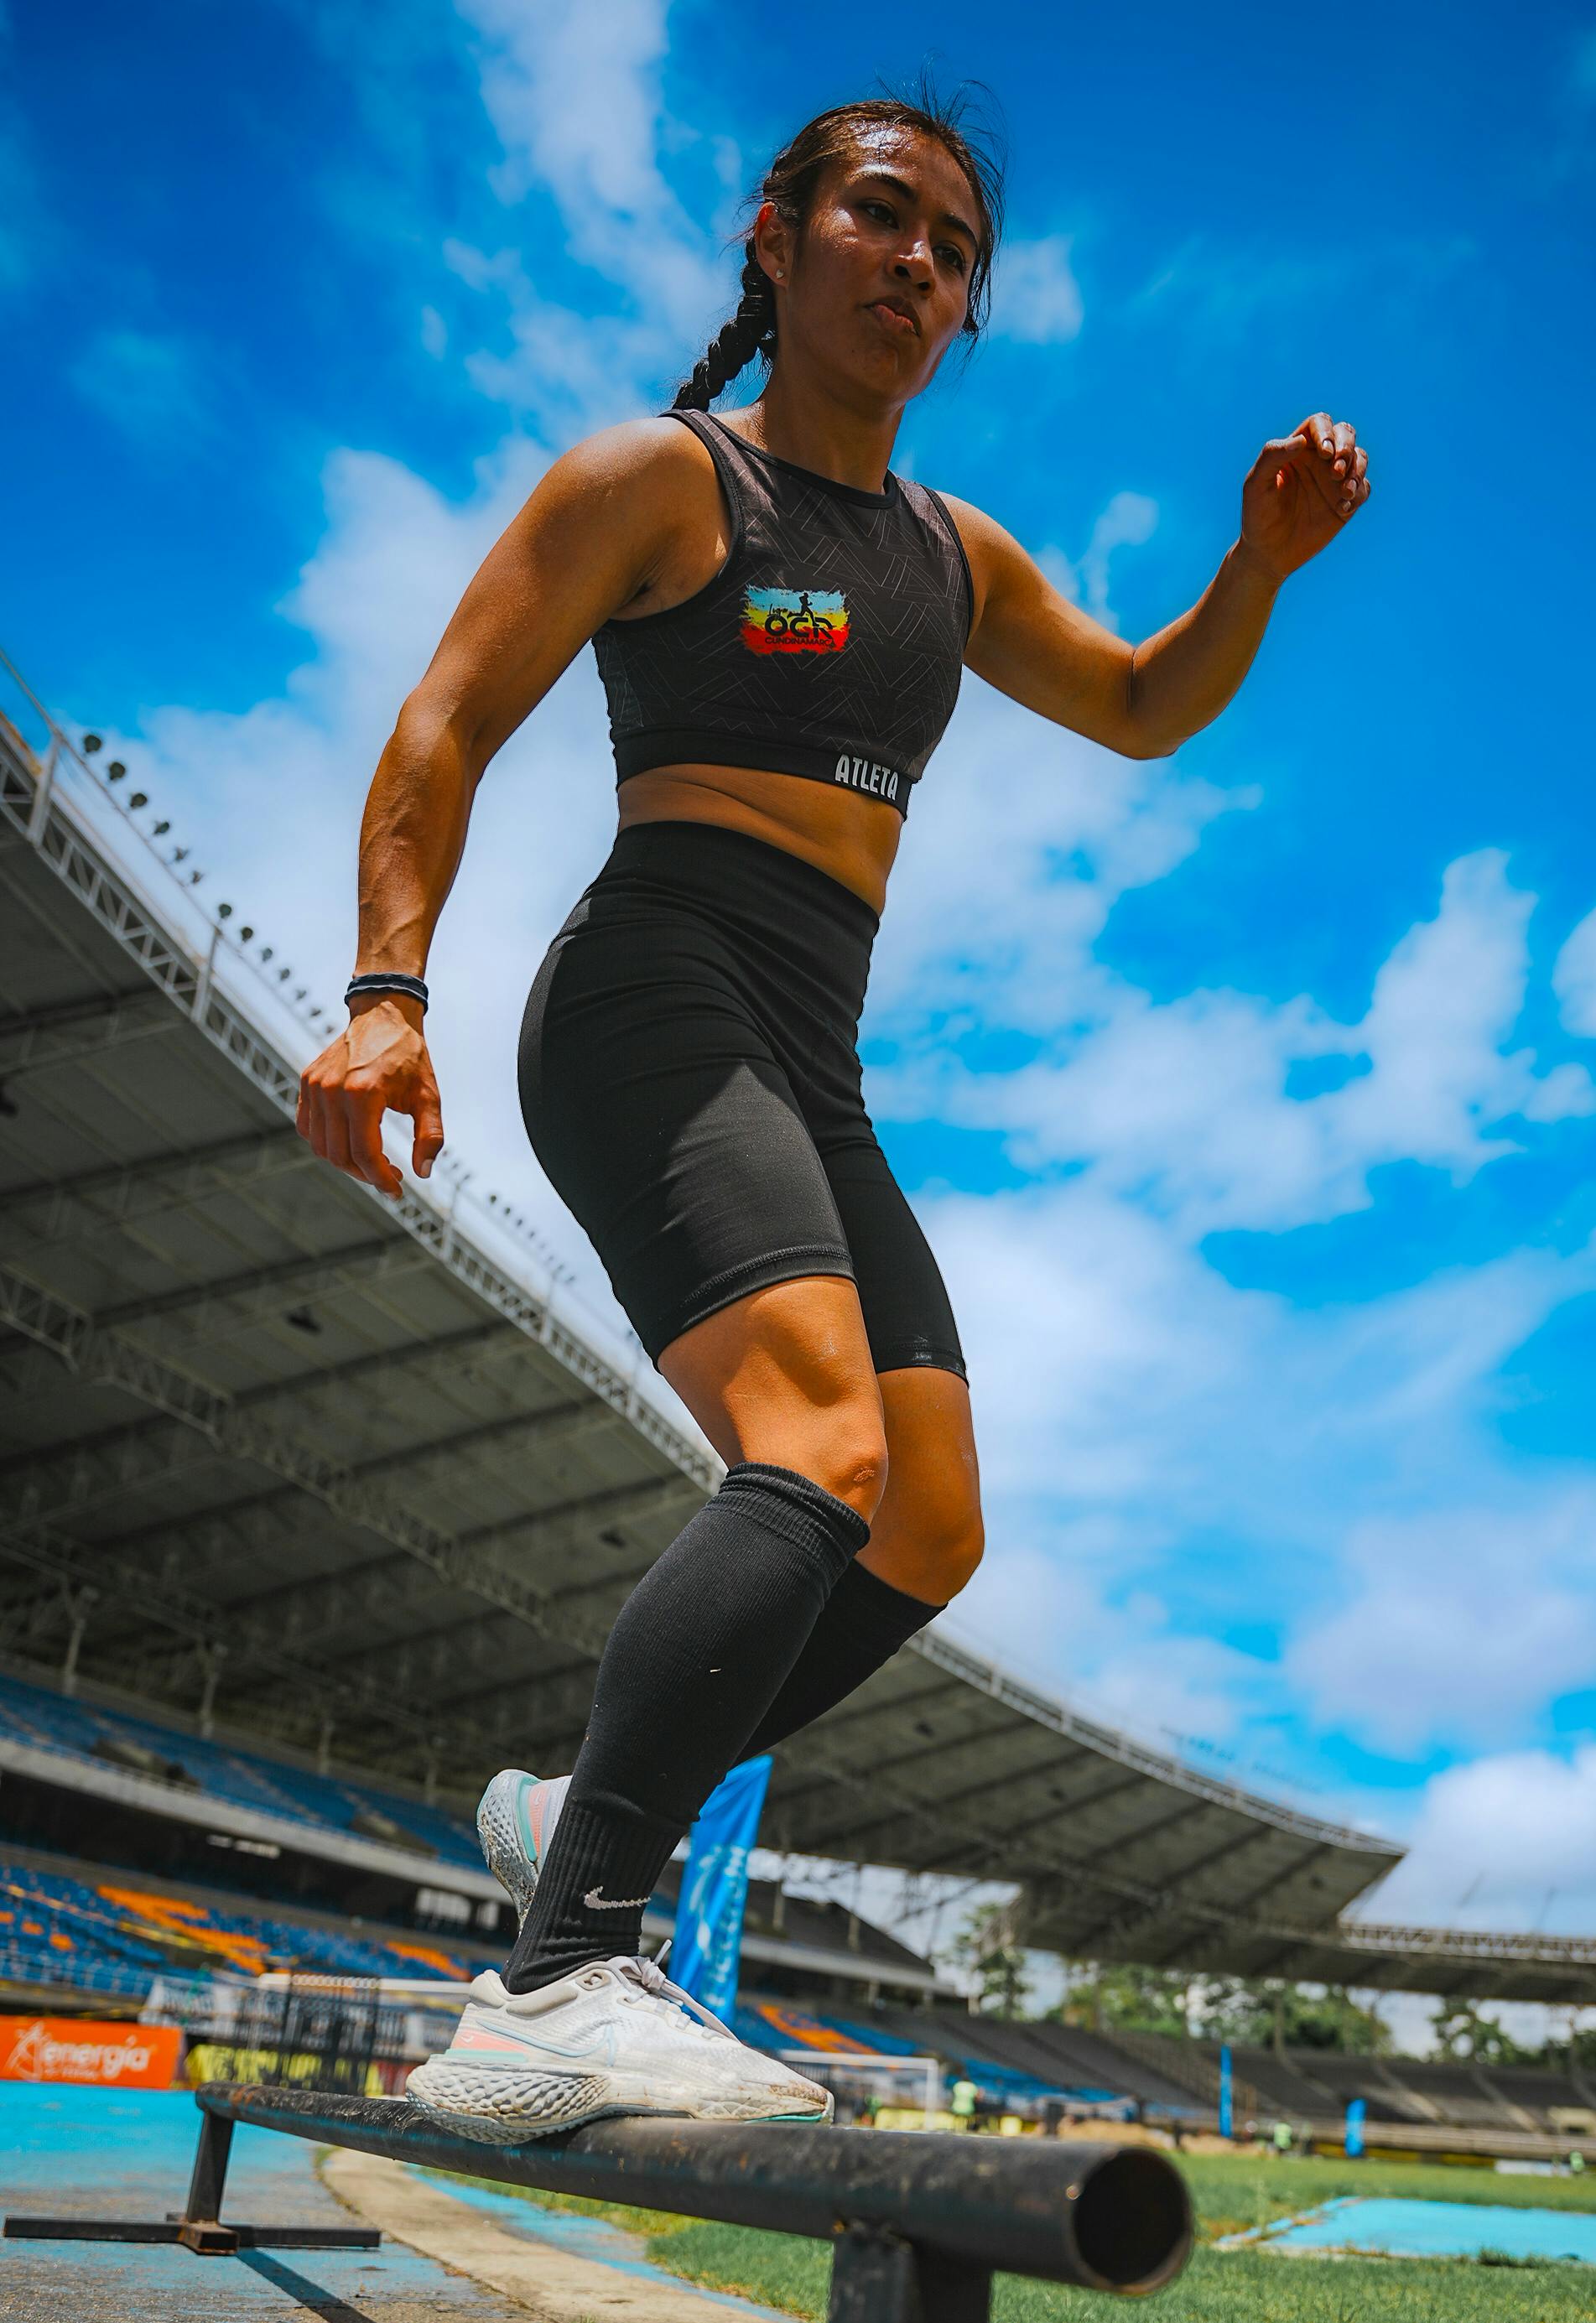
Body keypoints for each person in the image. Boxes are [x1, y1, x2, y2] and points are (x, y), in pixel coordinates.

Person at [296, 88, 1371, 2144]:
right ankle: (557, 1978)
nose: (920, 265)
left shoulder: (953, 563)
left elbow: (1145, 703)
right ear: (774, 240)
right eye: (882, 217)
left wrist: (1254, 568)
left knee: (928, 1518)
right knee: (815, 1438)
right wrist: (383, 991)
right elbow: (445, 717)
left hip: (813, 1050)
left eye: (956, 251)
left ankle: (567, 1810)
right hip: (651, 992)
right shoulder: (663, 481)